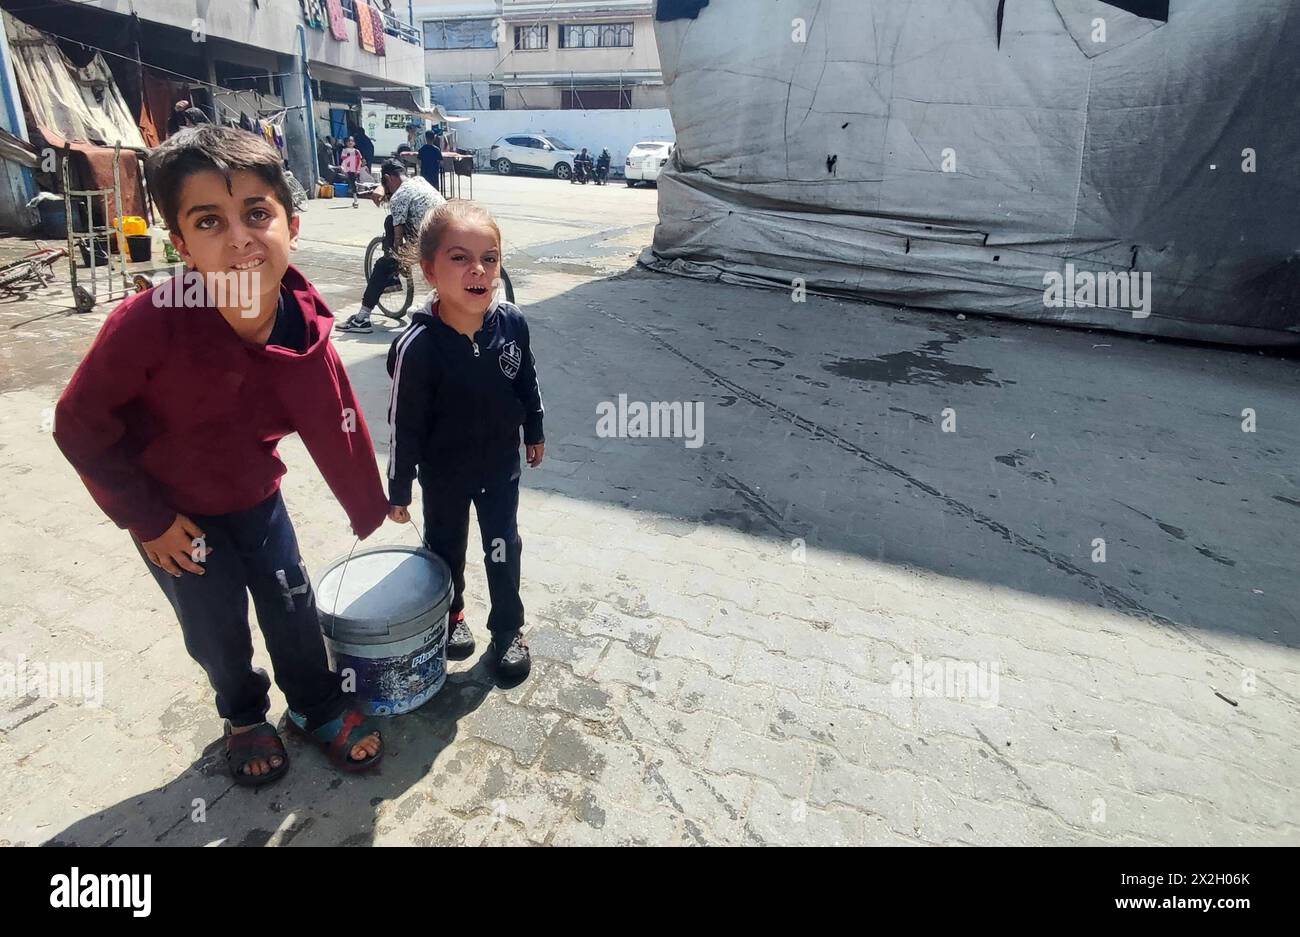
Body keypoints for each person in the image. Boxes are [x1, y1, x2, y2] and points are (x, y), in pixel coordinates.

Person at [52, 126, 389, 787]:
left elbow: (336, 417)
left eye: (257, 214)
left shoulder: (302, 324)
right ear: (180, 243)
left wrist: (374, 503)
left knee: (292, 604)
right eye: (210, 220)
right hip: (174, 514)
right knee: (216, 630)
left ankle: (316, 702)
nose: (239, 238)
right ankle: (242, 714)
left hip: (258, 498)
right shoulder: (149, 324)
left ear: (291, 226)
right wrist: (145, 518)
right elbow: (77, 423)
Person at [385, 200, 543, 679]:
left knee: (502, 546)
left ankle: (508, 628)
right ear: (430, 270)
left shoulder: (512, 323)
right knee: (445, 548)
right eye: (459, 258)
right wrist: (398, 490)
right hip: (444, 476)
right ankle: (451, 616)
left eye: (489, 258)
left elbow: (527, 380)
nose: (478, 270)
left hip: (500, 469)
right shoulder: (418, 348)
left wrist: (534, 429)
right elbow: (402, 424)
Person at [339, 160, 445, 334]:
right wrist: (382, 187)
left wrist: (398, 260)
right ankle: (393, 276)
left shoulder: (398, 197)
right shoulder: (419, 181)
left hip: (430, 241)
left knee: (383, 265)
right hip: (446, 231)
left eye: (385, 184)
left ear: (387, 178)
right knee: (390, 220)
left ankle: (362, 318)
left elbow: (397, 236)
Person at [338, 135, 365, 207]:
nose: (350, 142)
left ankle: (356, 200)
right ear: (346, 143)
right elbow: (344, 161)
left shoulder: (357, 151)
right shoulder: (344, 151)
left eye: (352, 141)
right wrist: (344, 170)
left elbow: (359, 161)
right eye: (349, 141)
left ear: (354, 143)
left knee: (354, 185)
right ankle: (355, 199)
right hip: (348, 170)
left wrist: (358, 170)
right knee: (352, 185)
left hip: (355, 170)